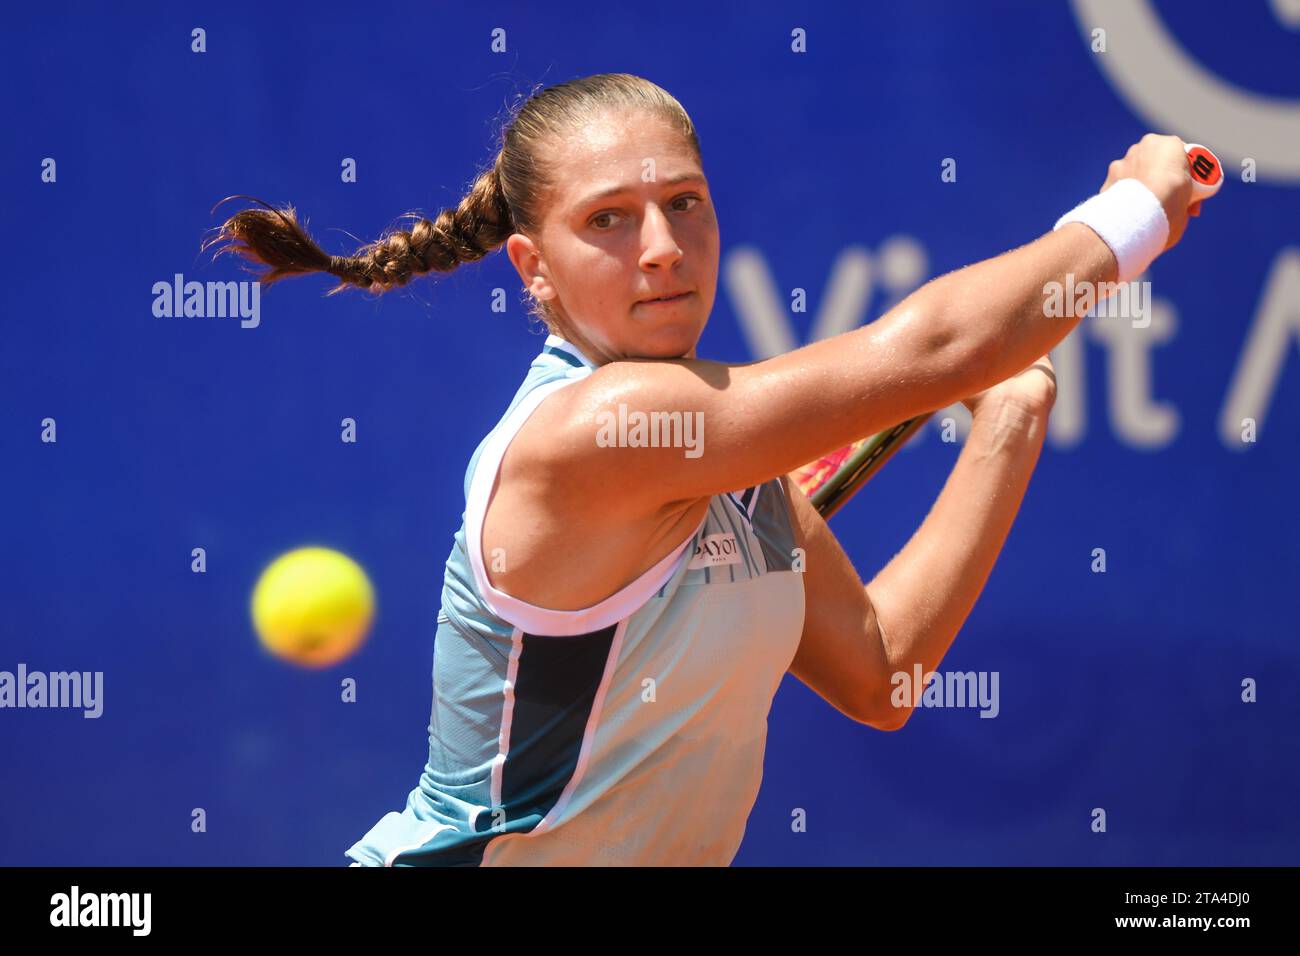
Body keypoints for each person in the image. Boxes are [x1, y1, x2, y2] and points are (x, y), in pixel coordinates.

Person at [206, 73, 1199, 866]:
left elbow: (881, 674)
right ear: (530, 266)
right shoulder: (593, 429)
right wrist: (1132, 210)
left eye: (684, 203)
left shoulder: (732, 459)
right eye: (608, 219)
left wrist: (1007, 423)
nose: (662, 248)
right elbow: (934, 349)